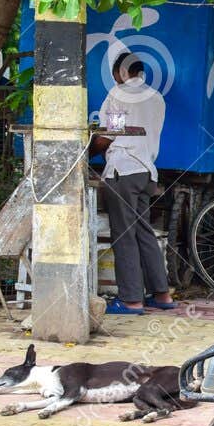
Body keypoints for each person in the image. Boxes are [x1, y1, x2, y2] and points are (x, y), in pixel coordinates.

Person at [93, 54, 174, 315]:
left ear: (120, 72)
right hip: (146, 171)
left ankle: (131, 300)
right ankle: (161, 294)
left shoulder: (119, 94)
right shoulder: (157, 98)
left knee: (124, 235)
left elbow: (110, 133)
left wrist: (86, 151)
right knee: (143, 232)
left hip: (123, 169)